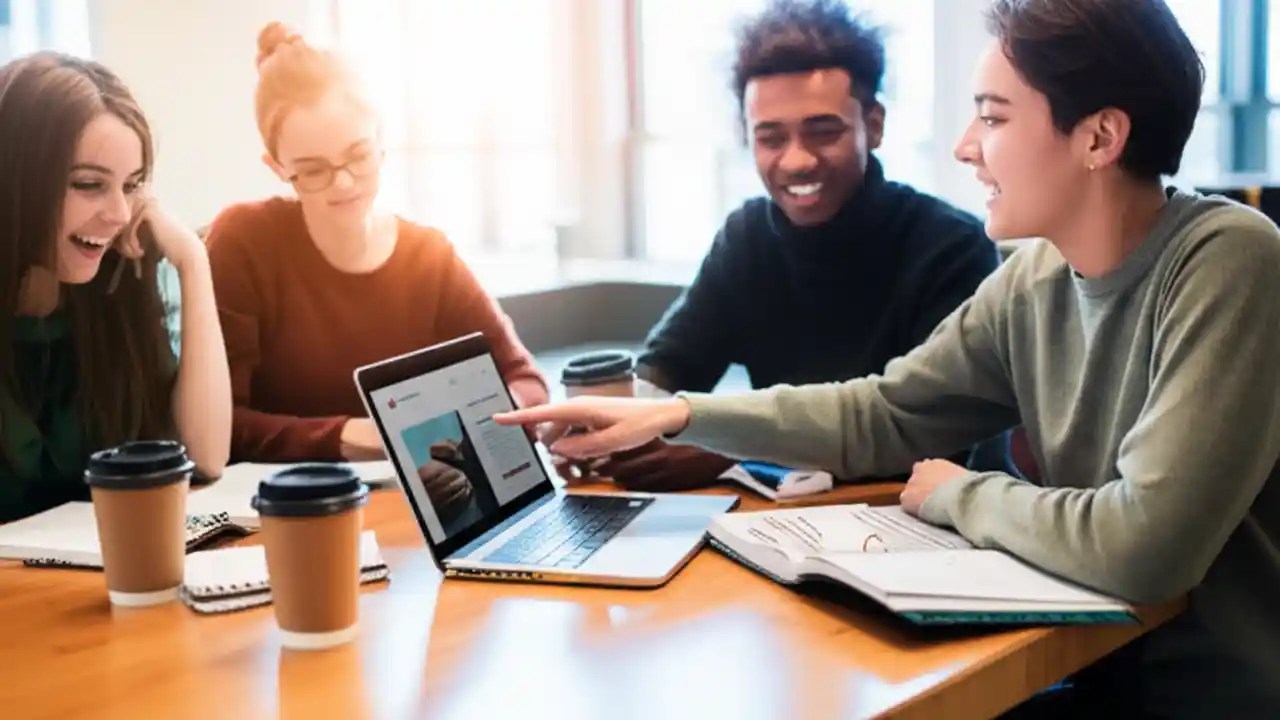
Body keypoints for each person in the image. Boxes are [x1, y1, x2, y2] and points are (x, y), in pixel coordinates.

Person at [498, 0, 1280, 715]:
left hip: (1210, 693)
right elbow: (884, 410)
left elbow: (1144, 546)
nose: (967, 147)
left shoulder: (1228, 259)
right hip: (1091, 671)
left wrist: (957, 494)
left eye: (993, 117)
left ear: (1100, 137)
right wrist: (674, 412)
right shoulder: (1034, 278)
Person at [596, 0, 1002, 491]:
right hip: (784, 519)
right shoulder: (747, 237)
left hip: (912, 520)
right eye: (770, 138)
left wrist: (727, 451)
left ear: (873, 125)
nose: (796, 160)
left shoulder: (953, 247)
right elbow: (665, 371)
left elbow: (927, 438)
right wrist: (614, 424)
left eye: (823, 131)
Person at [206, 23, 548, 463]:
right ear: (276, 167)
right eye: (313, 170)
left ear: (382, 139)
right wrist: (352, 435)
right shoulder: (244, 242)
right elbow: (219, 425)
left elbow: (525, 381)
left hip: (424, 503)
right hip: (294, 511)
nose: (344, 183)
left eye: (359, 156)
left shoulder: (428, 256)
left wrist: (492, 418)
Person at [0, 53, 231, 522]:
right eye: (88, 184)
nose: (120, 215)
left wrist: (192, 260)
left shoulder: (122, 281)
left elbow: (206, 456)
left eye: (131, 186)